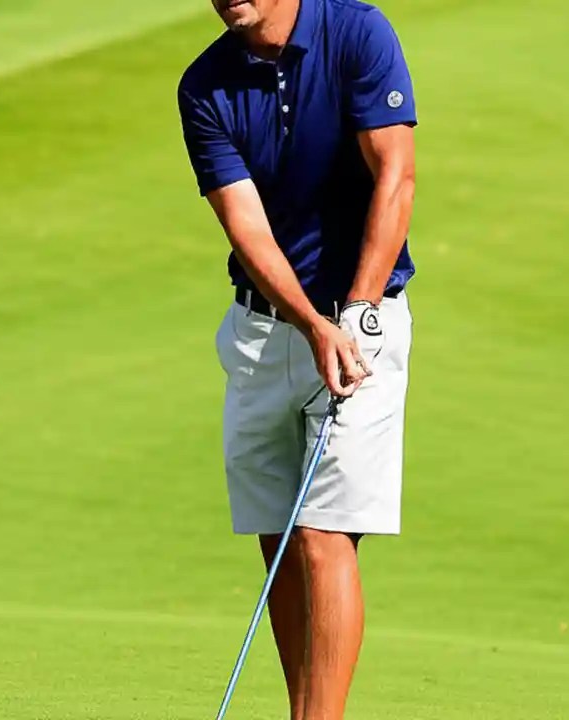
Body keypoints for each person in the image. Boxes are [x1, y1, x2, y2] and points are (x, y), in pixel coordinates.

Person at [177, 0, 417, 717]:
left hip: (363, 326)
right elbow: (244, 224)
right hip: (263, 333)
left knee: (322, 535)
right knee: (277, 539)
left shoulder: (357, 32)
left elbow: (395, 174)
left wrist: (359, 308)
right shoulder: (204, 85)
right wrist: (311, 324)